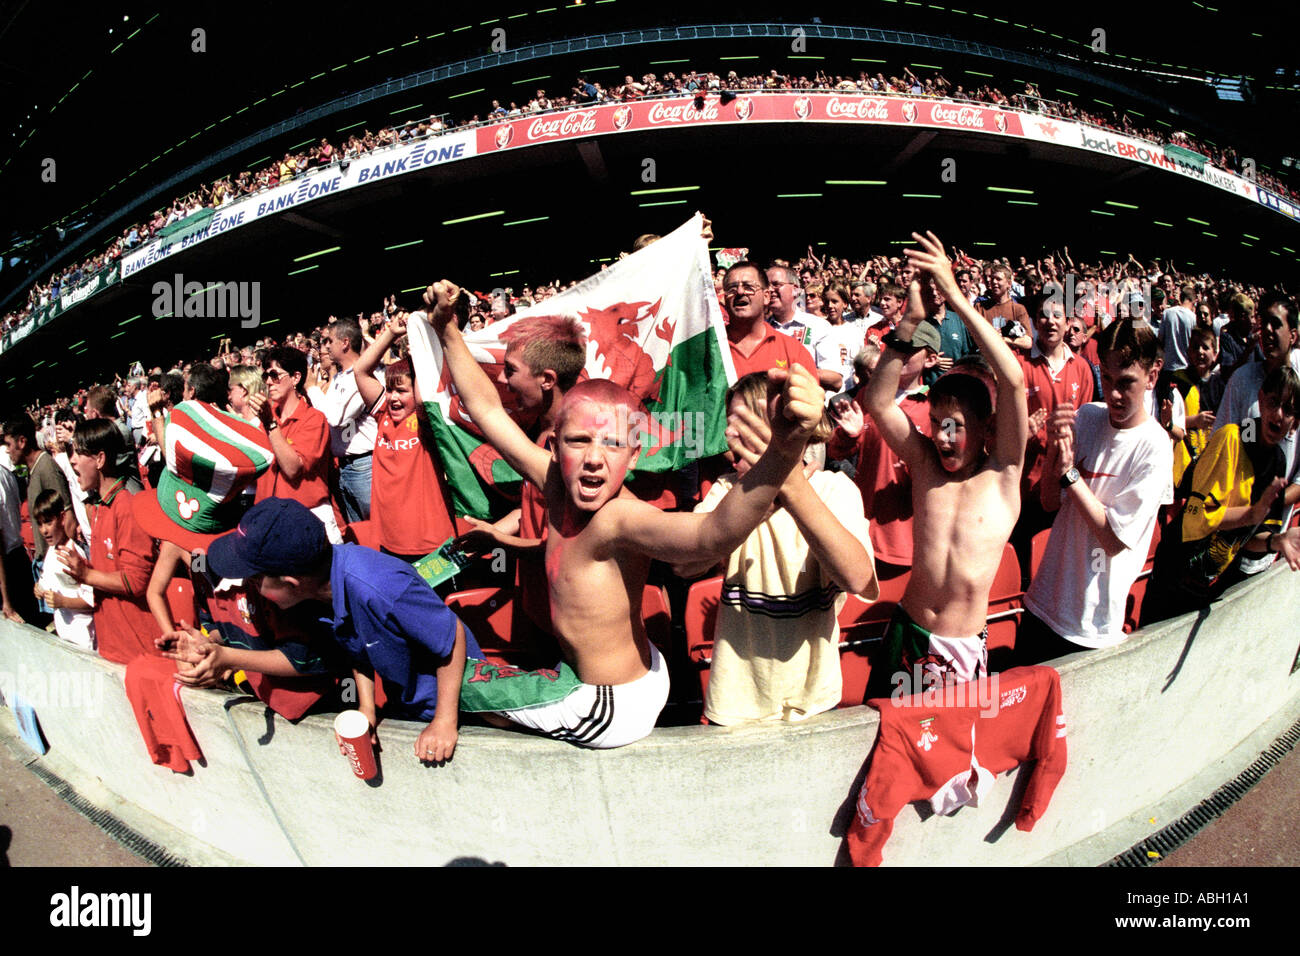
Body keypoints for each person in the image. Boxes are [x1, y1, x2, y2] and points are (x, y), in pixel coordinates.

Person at [426, 278, 823, 748]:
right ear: (555, 447)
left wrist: (784, 450)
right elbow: (488, 411)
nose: (594, 457)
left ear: (633, 457)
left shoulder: (620, 517)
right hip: (632, 672)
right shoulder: (554, 481)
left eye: (613, 443)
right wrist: (448, 330)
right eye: (579, 441)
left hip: (608, 703)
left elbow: (709, 535)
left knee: (448, 691)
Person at [862, 232, 1028, 689]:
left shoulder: (1003, 476)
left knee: (945, 758)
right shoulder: (926, 466)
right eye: (936, 422)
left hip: (959, 649)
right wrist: (910, 323)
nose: (943, 436)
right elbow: (878, 403)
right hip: (906, 631)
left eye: (956, 425)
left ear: (989, 430)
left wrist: (954, 296)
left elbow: (1013, 382)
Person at [205, 498, 477, 764]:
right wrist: (367, 710)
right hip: (410, 705)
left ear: (290, 582)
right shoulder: (320, 596)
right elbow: (358, 649)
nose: (251, 587)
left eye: (255, 579)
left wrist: (444, 721)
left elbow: (452, 636)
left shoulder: (378, 587)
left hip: (462, 701)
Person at [676, 372, 877, 725]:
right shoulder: (727, 491)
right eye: (729, 424)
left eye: (744, 425)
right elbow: (684, 564)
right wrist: (759, 502)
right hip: (734, 704)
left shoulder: (834, 489)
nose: (728, 438)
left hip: (813, 700)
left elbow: (857, 577)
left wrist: (789, 485)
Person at [1018, 319, 1173, 659]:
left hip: (1089, 625)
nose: (1114, 393)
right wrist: (1055, 452)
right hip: (1043, 602)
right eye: (1107, 378)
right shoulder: (1087, 416)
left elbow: (1114, 540)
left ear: (1153, 374)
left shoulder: (1156, 446)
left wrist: (1071, 475)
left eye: (1126, 382)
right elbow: (1047, 503)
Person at [1143, 366, 1300, 625]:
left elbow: (1248, 539)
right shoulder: (1231, 438)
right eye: (1274, 403)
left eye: (1290, 410)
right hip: (1173, 579)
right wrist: (1250, 514)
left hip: (1207, 589)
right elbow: (1196, 520)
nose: (1279, 415)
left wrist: (1277, 541)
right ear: (1260, 399)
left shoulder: (1277, 462)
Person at [352, 311, 457, 562]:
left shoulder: (424, 420)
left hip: (429, 542)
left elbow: (422, 399)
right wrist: (390, 332)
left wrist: (419, 348)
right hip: (389, 540)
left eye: (401, 391)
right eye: (389, 390)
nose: (393, 397)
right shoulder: (383, 415)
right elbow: (361, 371)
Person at [56, 419, 161, 664]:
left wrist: (86, 574)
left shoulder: (125, 507)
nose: (72, 461)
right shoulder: (101, 508)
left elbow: (136, 580)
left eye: (78, 453)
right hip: (113, 646)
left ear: (100, 460)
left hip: (135, 652)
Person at [251, 346, 339, 543]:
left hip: (308, 519)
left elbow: (292, 468)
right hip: (270, 519)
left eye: (274, 375)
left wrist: (270, 425)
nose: (268, 382)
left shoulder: (314, 419)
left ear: (295, 378)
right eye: (266, 375)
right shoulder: (266, 416)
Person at [317, 317, 380, 524]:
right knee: (360, 532)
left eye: (330, 341)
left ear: (345, 342)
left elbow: (336, 418)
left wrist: (311, 387)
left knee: (375, 527)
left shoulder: (361, 375)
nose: (326, 347)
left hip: (364, 465)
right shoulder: (338, 377)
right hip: (346, 466)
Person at [723, 262, 816, 378]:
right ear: (724, 298)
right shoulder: (710, 349)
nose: (740, 292)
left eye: (749, 287)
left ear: (766, 296)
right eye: (732, 288)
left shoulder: (794, 351)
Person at [31, 490, 95, 651]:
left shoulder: (74, 554)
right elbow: (46, 582)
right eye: (39, 524)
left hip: (84, 638)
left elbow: (92, 601)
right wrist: (39, 589)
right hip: (65, 634)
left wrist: (63, 602)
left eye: (48, 522)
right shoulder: (51, 552)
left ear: (61, 518)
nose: (44, 530)